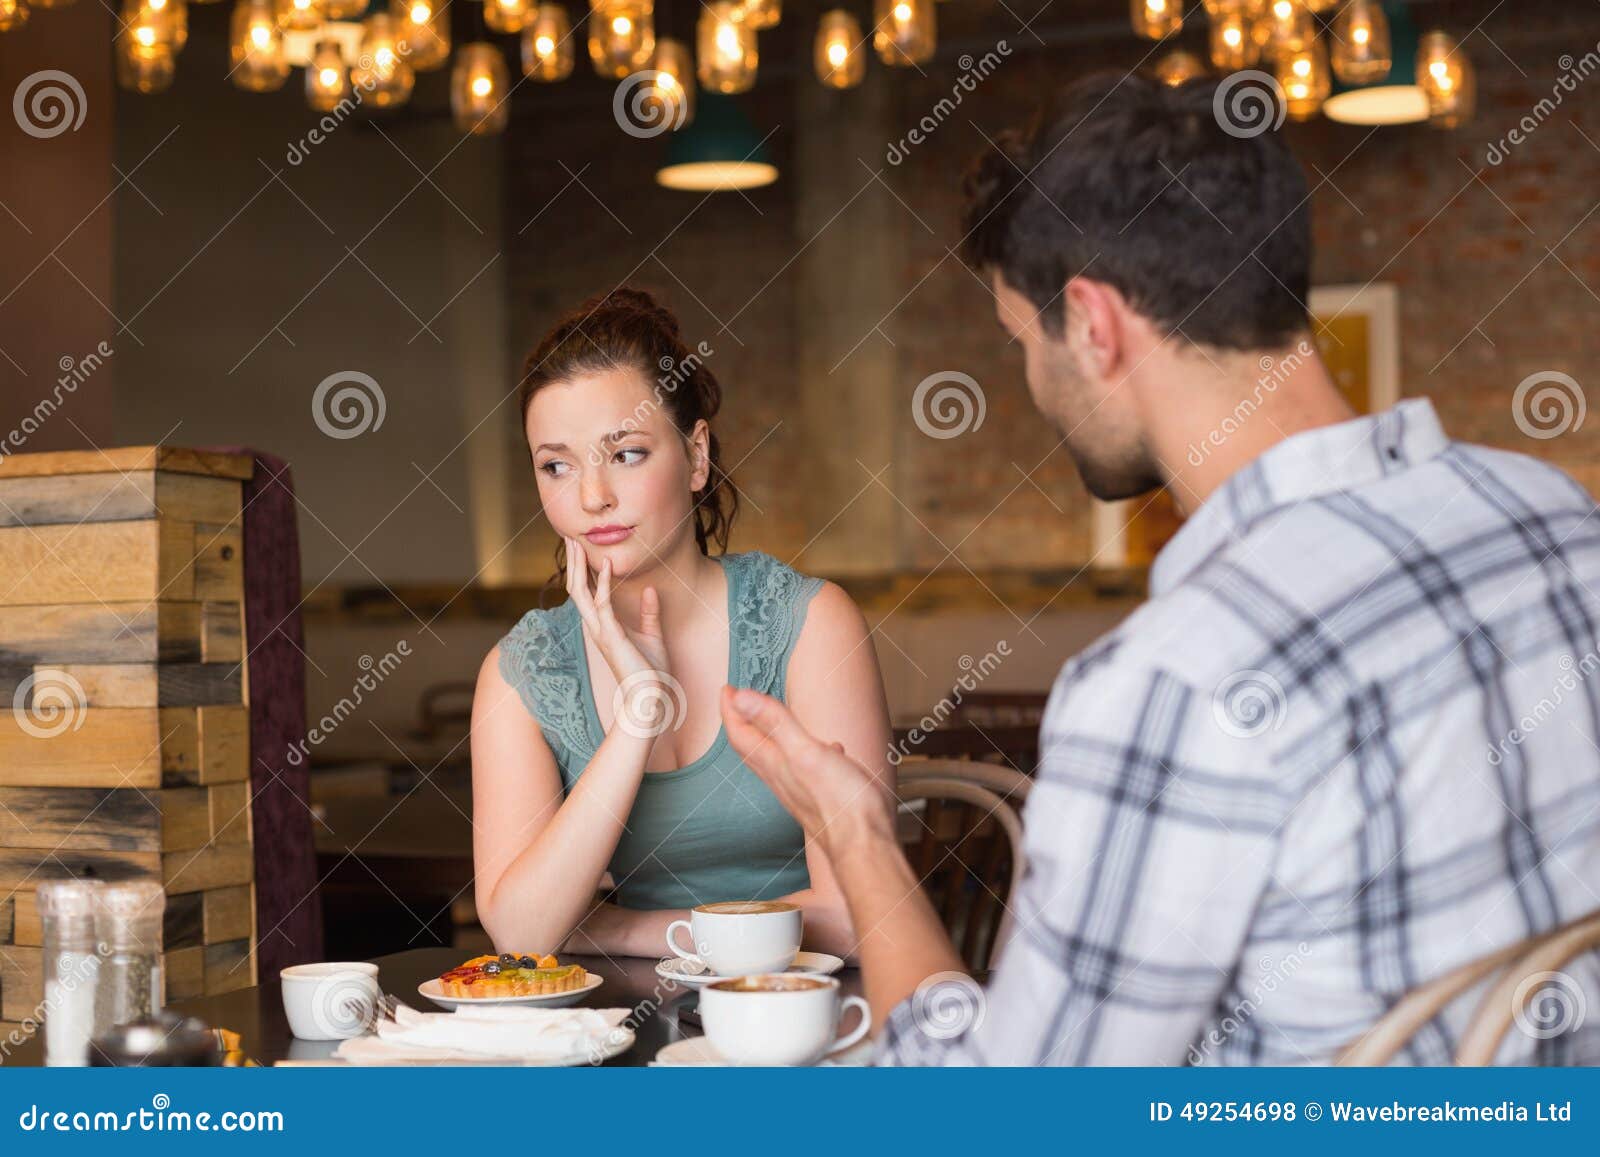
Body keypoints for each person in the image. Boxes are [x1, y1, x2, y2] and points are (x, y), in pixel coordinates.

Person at [719, 71, 1600, 1064]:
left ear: (1092, 325)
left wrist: (856, 832)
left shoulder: (1173, 680)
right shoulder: (1554, 518)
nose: (1029, 379)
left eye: (1022, 338)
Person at [471, 288, 893, 959]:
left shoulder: (810, 623)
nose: (591, 496)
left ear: (695, 457)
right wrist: (638, 717)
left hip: (814, 1023)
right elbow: (522, 932)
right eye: (557, 465)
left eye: (627, 453)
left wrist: (613, 931)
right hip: (629, 1045)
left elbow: (859, 913)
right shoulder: (521, 671)